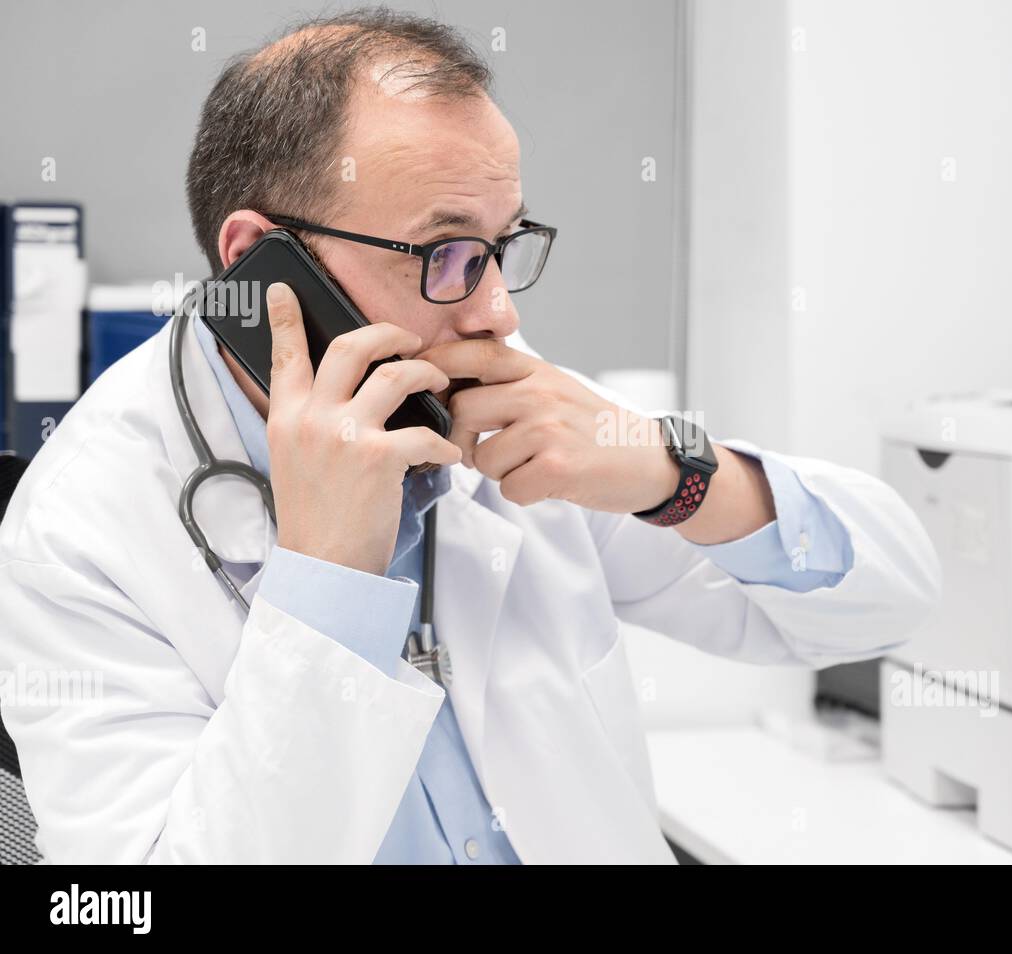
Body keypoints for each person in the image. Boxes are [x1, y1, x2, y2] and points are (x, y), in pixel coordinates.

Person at [0, 9, 940, 863]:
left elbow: (887, 602)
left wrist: (670, 471)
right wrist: (329, 582)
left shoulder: (492, 403)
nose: (494, 308)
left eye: (501, 247)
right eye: (444, 253)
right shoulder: (80, 526)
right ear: (256, 268)